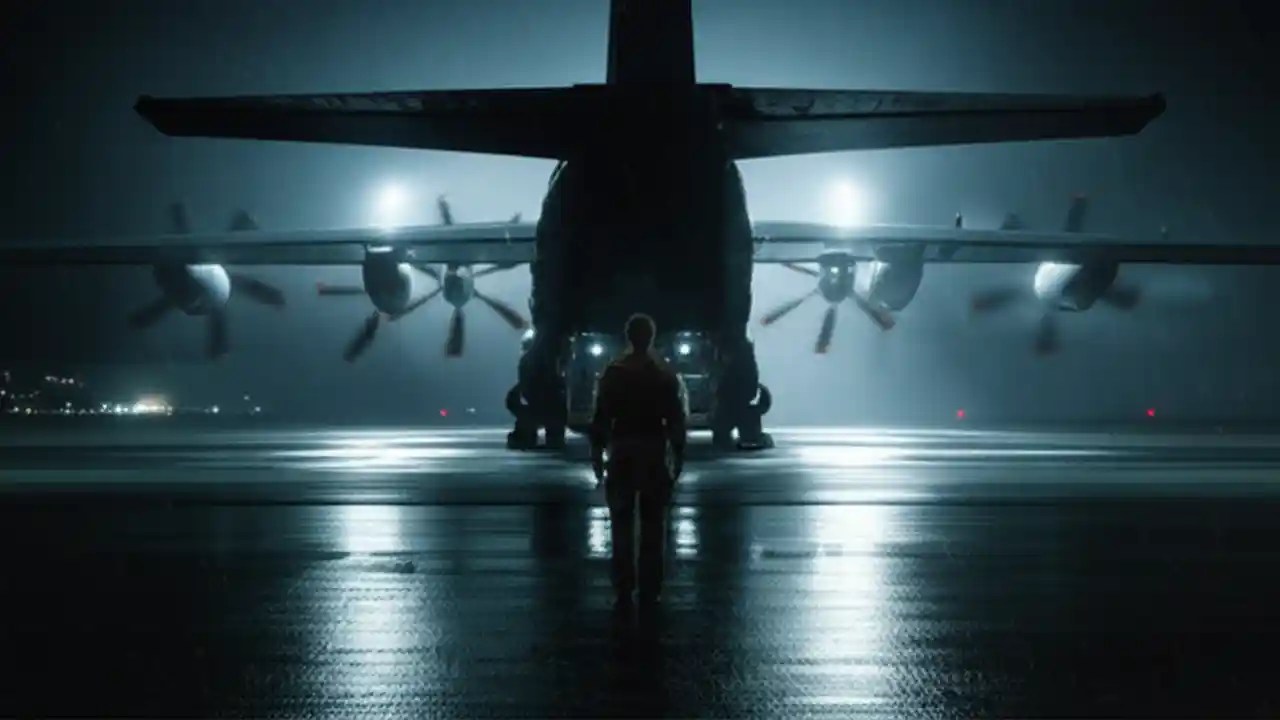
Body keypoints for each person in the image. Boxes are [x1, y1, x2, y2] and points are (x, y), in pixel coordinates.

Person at [591, 313, 687, 606]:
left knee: (621, 523)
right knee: (654, 524)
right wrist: (678, 456)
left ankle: (623, 585)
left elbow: (601, 418)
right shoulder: (664, 374)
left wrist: (597, 454)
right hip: (653, 449)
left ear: (627, 336)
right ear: (652, 337)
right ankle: (650, 587)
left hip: (622, 450)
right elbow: (675, 420)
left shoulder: (614, 372)